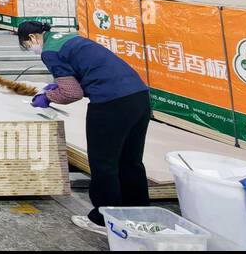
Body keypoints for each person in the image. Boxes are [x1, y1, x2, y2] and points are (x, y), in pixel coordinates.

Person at [17, 21, 150, 235]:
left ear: (32, 38)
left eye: (27, 45)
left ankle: (103, 219)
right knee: (130, 161)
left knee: (103, 163)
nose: (31, 49)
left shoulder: (50, 51)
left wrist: (47, 97)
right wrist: (60, 85)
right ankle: (139, 214)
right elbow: (87, 71)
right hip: (139, 97)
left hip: (111, 103)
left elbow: (72, 93)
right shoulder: (69, 39)